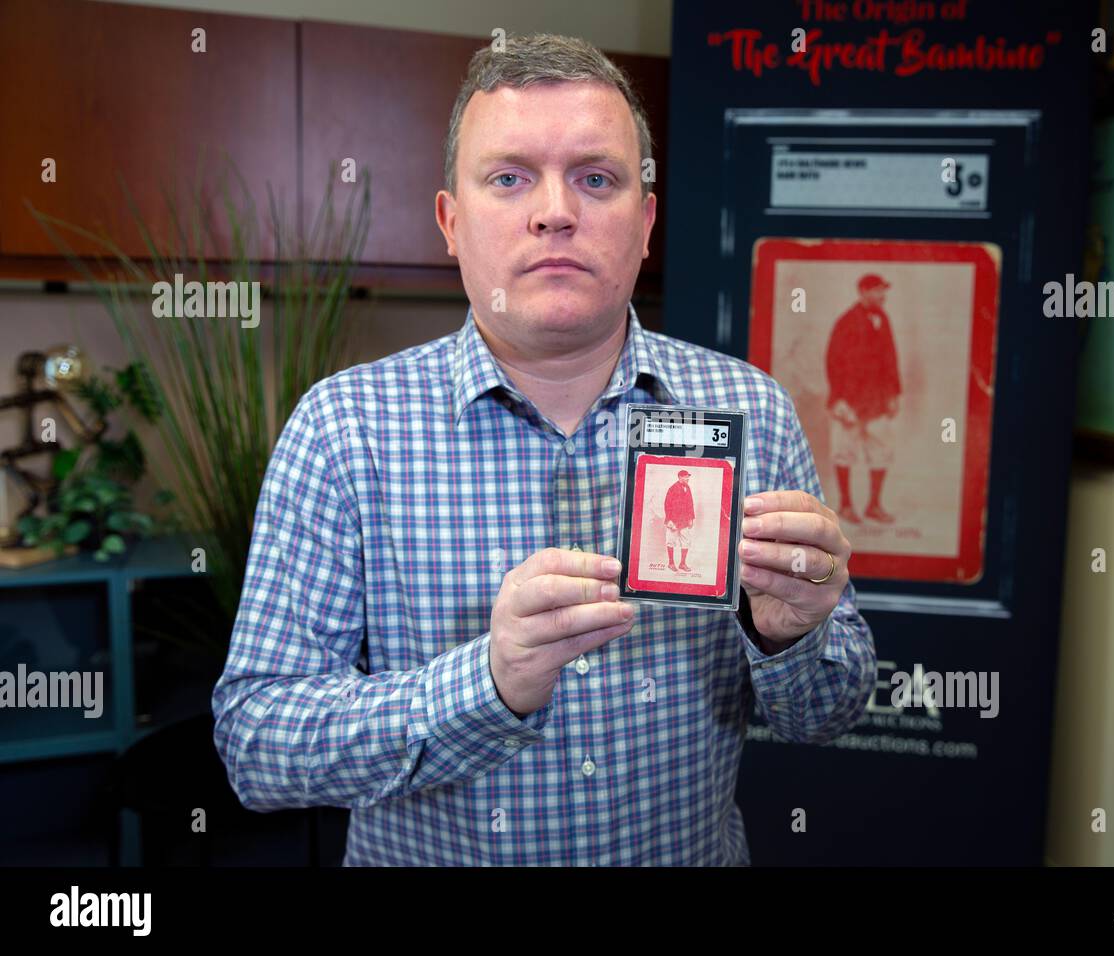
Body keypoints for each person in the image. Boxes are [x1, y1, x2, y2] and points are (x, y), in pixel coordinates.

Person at [212, 32, 876, 866]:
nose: (556, 210)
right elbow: (258, 745)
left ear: (645, 222)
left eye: (597, 179)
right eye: (509, 177)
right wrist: (485, 686)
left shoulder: (753, 410)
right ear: (451, 223)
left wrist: (792, 640)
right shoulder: (345, 431)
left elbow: (831, 712)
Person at [825, 274, 901, 524]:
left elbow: (891, 358)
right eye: (878, 291)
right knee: (844, 451)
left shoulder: (884, 318)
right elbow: (833, 362)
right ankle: (846, 505)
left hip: (877, 401)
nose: (882, 296)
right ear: (863, 291)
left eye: (883, 291)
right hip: (850, 401)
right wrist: (838, 399)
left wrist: (893, 394)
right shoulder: (846, 322)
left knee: (881, 451)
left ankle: (874, 505)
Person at [663, 469, 694, 572]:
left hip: (684, 521)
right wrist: (669, 520)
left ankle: (682, 564)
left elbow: (690, 504)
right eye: (686, 476)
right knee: (670, 541)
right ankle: (671, 563)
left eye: (688, 476)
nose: (688, 478)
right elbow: (667, 505)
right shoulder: (672, 488)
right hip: (674, 521)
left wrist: (691, 518)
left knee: (686, 541)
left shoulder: (688, 488)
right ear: (680, 477)